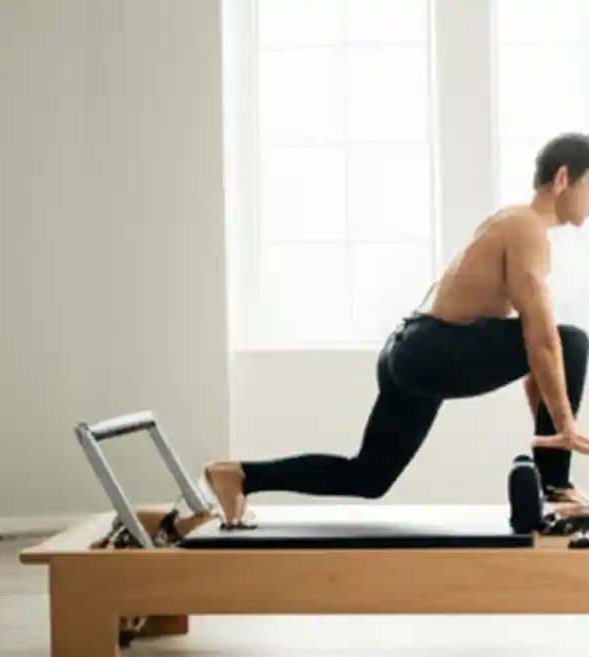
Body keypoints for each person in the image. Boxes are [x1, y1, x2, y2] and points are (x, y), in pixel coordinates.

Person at [205, 132, 589, 526]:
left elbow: (536, 355)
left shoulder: (511, 222)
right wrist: (564, 429)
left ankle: (241, 477)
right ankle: (556, 487)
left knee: (369, 476)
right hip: (431, 349)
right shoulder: (527, 228)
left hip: (410, 350)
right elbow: (544, 341)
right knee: (573, 341)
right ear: (563, 179)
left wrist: (551, 425)